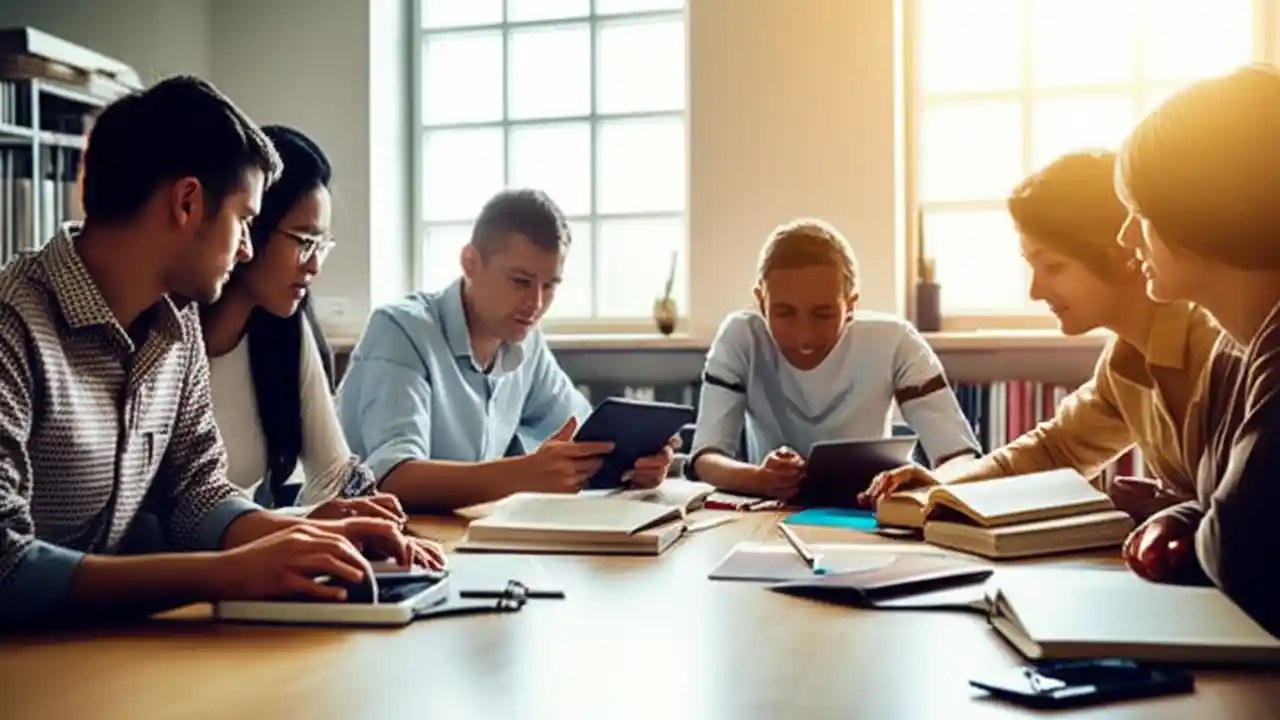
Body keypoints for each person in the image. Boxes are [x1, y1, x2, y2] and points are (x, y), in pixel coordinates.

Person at [0, 76, 439, 627]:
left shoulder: (176, 322)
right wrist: (226, 572)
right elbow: (5, 564)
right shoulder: (13, 324)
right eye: (245, 220)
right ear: (187, 203)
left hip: (100, 644)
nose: (248, 248)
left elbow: (196, 492)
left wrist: (311, 534)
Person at [860, 151, 1222, 521]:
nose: (1035, 291)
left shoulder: (1214, 346)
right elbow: (1055, 449)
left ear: (1121, 251)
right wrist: (941, 486)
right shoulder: (1124, 361)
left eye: (1054, 266)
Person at [337, 188, 677, 511]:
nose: (536, 303)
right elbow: (391, 479)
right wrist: (523, 475)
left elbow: (585, 438)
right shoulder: (400, 329)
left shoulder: (526, 341)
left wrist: (633, 465)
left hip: (458, 537)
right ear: (470, 262)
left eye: (550, 286)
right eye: (521, 281)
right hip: (360, 538)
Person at [1112, 64, 1280, 636]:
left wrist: (1205, 527)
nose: (1126, 238)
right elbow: (1230, 502)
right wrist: (1184, 517)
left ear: (1199, 213)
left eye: (1141, 215)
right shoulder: (1235, 350)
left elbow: (1245, 551)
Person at [686, 218, 981, 500]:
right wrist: (758, 479)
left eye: (823, 314)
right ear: (761, 301)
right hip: (769, 513)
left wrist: (929, 482)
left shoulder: (896, 341)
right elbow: (704, 458)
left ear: (851, 305)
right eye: (784, 313)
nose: (803, 336)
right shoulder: (740, 337)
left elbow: (961, 456)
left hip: (871, 511)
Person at [200, 125, 402, 522]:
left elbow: (334, 473)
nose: (314, 266)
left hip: (243, 547)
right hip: (188, 556)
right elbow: (172, 516)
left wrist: (371, 513)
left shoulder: (284, 329)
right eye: (304, 241)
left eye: (321, 246)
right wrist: (308, 523)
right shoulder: (169, 336)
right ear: (251, 223)